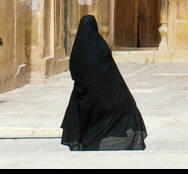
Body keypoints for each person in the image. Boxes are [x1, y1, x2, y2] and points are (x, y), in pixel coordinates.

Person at [60, 14, 148, 150]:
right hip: (107, 91)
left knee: (79, 114)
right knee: (124, 104)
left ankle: (86, 140)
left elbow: (75, 72)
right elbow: (110, 70)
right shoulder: (101, 46)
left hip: (85, 94)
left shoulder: (77, 51)